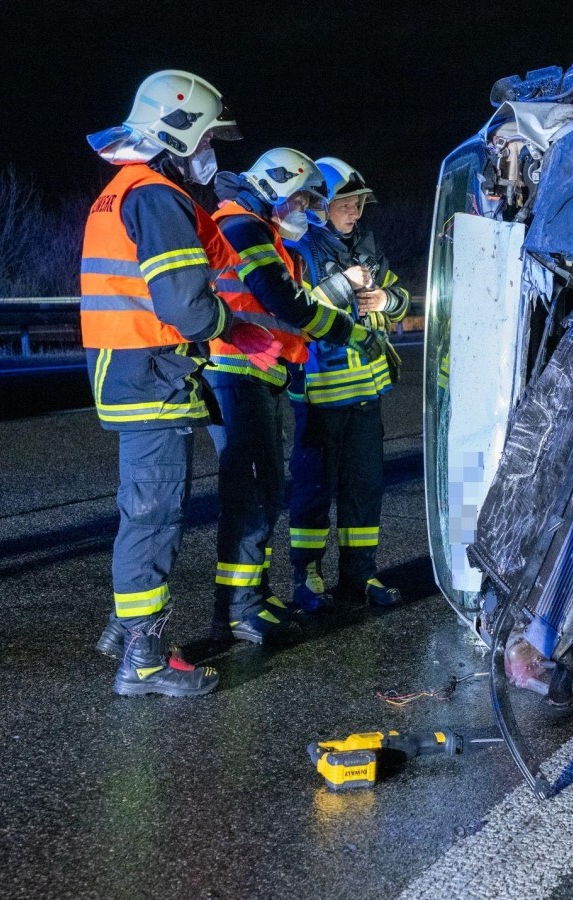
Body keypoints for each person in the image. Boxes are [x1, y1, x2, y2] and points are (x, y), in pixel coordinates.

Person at [80, 69, 259, 697]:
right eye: (207, 135)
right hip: (149, 373)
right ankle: (145, 659)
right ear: (176, 133)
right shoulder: (155, 196)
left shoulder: (124, 189)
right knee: (153, 516)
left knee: (144, 508)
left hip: (131, 371)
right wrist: (231, 322)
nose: (212, 149)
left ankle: (120, 630)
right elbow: (184, 305)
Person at [204, 148, 380, 643]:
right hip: (238, 371)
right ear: (277, 188)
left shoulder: (253, 226)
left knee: (258, 492)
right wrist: (351, 332)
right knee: (252, 495)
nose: (303, 209)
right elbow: (286, 301)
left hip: (253, 373)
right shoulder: (244, 228)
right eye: (300, 199)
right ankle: (239, 609)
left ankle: (249, 599)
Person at [286, 158, 410, 611]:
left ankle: (361, 574)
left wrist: (388, 298)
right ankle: (308, 577)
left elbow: (399, 298)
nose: (354, 211)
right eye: (345, 203)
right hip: (321, 396)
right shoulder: (300, 248)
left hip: (366, 395)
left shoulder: (367, 245)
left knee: (364, 488)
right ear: (321, 206)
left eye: (358, 203)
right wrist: (342, 283)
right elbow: (296, 311)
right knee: (314, 488)